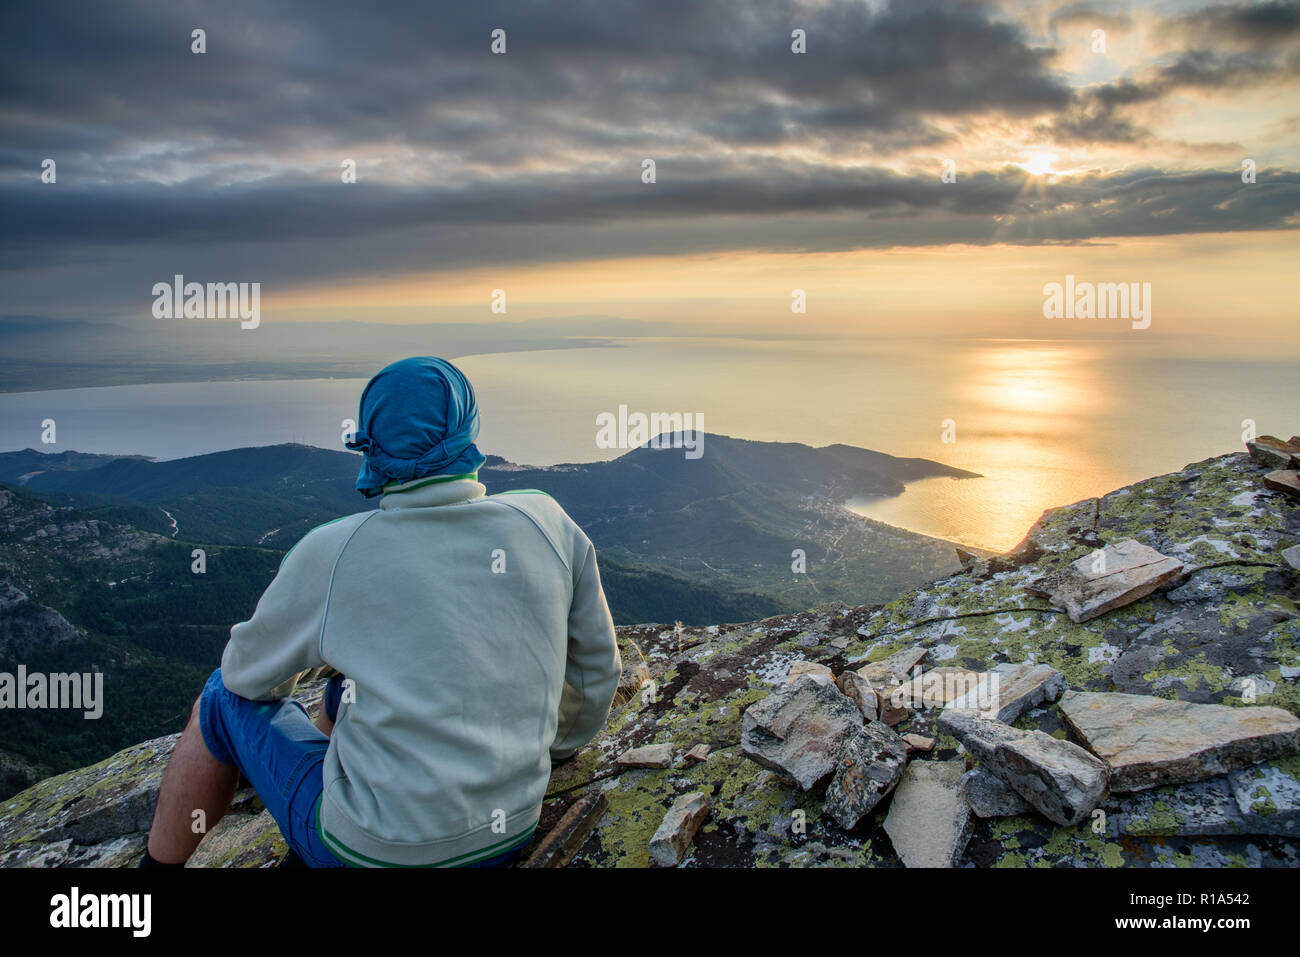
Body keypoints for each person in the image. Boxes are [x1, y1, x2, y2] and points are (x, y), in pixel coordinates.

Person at [143, 356, 622, 867]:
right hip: (507, 833)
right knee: (342, 683)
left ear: (372, 442)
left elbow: (245, 678)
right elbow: (598, 669)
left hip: (373, 853)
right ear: (467, 427)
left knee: (217, 699)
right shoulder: (549, 522)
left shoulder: (333, 552)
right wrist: (548, 754)